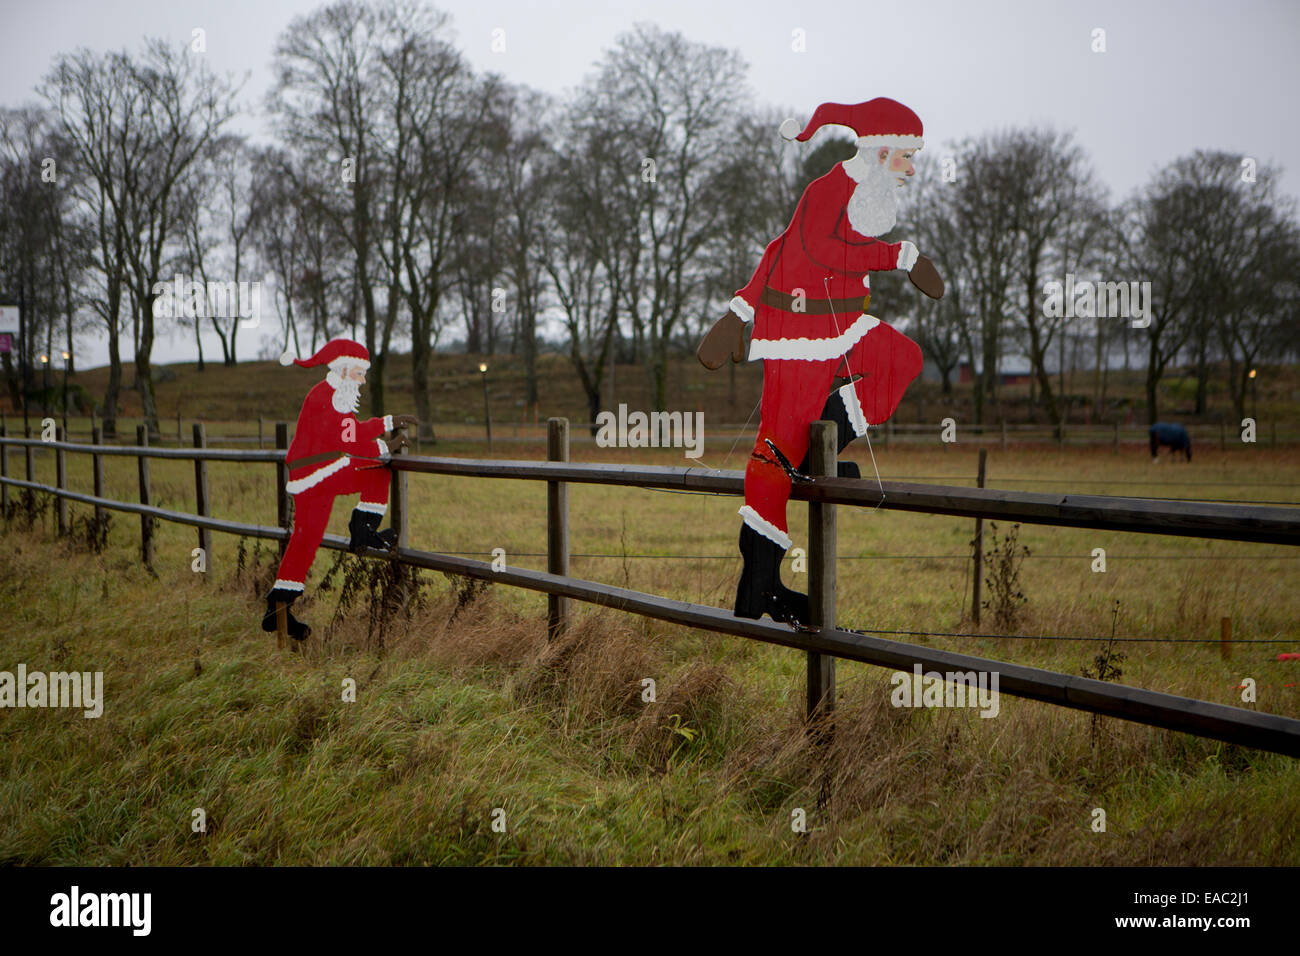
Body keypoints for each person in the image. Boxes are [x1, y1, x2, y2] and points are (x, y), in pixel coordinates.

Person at [698, 98, 944, 626]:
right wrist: (898, 256)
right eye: (905, 156)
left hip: (844, 325)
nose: (911, 168)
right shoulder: (825, 191)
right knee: (772, 455)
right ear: (879, 153)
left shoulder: (860, 200)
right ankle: (760, 587)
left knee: (901, 359)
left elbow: (780, 244)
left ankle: (817, 453)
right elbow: (821, 250)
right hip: (799, 336)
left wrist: (739, 307)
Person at [261, 338, 418, 640]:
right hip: (321, 471)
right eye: (359, 373)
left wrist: (386, 422)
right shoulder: (329, 395)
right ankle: (363, 532)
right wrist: (387, 445)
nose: (363, 380)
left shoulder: (330, 393)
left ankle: (277, 607)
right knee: (377, 473)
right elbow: (349, 441)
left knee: (305, 540)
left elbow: (352, 430)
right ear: (345, 370)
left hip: (310, 473)